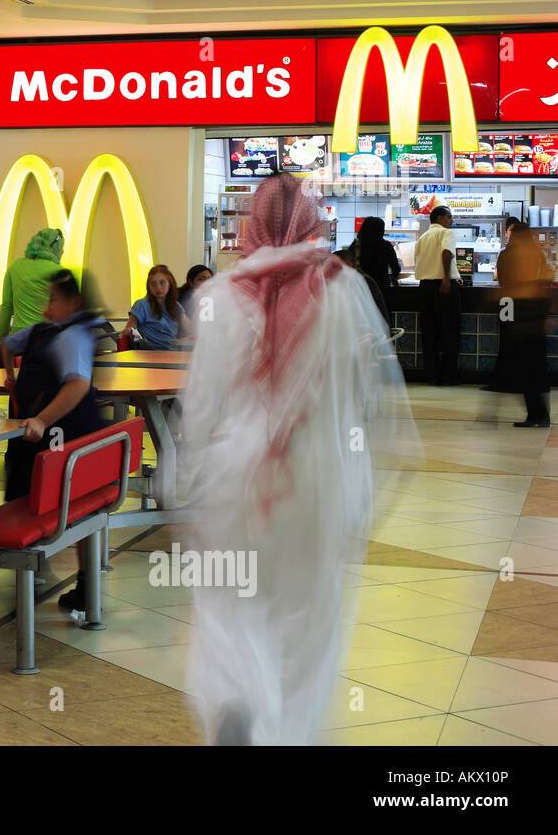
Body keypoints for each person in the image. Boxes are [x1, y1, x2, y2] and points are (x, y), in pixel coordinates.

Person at [175, 171, 411, 745]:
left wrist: (187, 482)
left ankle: (237, 699)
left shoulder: (218, 298)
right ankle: (285, 734)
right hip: (321, 476)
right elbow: (364, 396)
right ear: (315, 220)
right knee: (309, 620)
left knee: (230, 602)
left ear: (251, 221)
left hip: (236, 475)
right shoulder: (345, 289)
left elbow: (201, 410)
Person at [0, 269, 108, 612]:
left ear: (74, 302)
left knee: (66, 505)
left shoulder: (74, 336)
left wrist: (43, 419)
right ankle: (41, 571)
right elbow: (5, 345)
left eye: (54, 299)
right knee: (53, 501)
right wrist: (11, 377)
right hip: (46, 435)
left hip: (62, 433)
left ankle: (61, 578)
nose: (48, 307)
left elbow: (76, 385)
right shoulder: (46, 331)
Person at [494, 222, 553, 426]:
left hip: (517, 312)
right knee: (535, 366)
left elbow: (502, 280)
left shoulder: (509, 253)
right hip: (535, 313)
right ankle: (538, 414)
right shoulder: (536, 253)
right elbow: (548, 277)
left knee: (523, 365)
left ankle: (536, 414)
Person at [414, 206, 461, 385]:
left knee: (429, 333)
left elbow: (421, 261)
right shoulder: (446, 233)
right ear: (440, 218)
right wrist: (446, 279)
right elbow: (446, 253)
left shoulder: (423, 237)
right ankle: (449, 376)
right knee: (449, 332)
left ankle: (431, 375)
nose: (451, 220)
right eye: (449, 217)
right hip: (443, 288)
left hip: (425, 287)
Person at [0, 228, 65, 338]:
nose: (63, 252)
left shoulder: (15, 266)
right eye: (61, 248)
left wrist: (1, 340)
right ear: (55, 248)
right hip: (46, 340)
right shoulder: (59, 272)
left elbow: (7, 306)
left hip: (18, 340)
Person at [124, 265, 193, 350]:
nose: (158, 287)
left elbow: (189, 327)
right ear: (148, 286)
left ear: (170, 284)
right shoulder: (141, 305)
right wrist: (128, 331)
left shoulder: (175, 305)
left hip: (172, 353)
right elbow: (129, 329)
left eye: (162, 283)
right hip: (150, 356)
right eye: (153, 284)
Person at [334, 248, 390, 325]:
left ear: (348, 266)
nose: (331, 270)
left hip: (373, 332)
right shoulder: (355, 278)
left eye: (335, 266)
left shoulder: (360, 281)